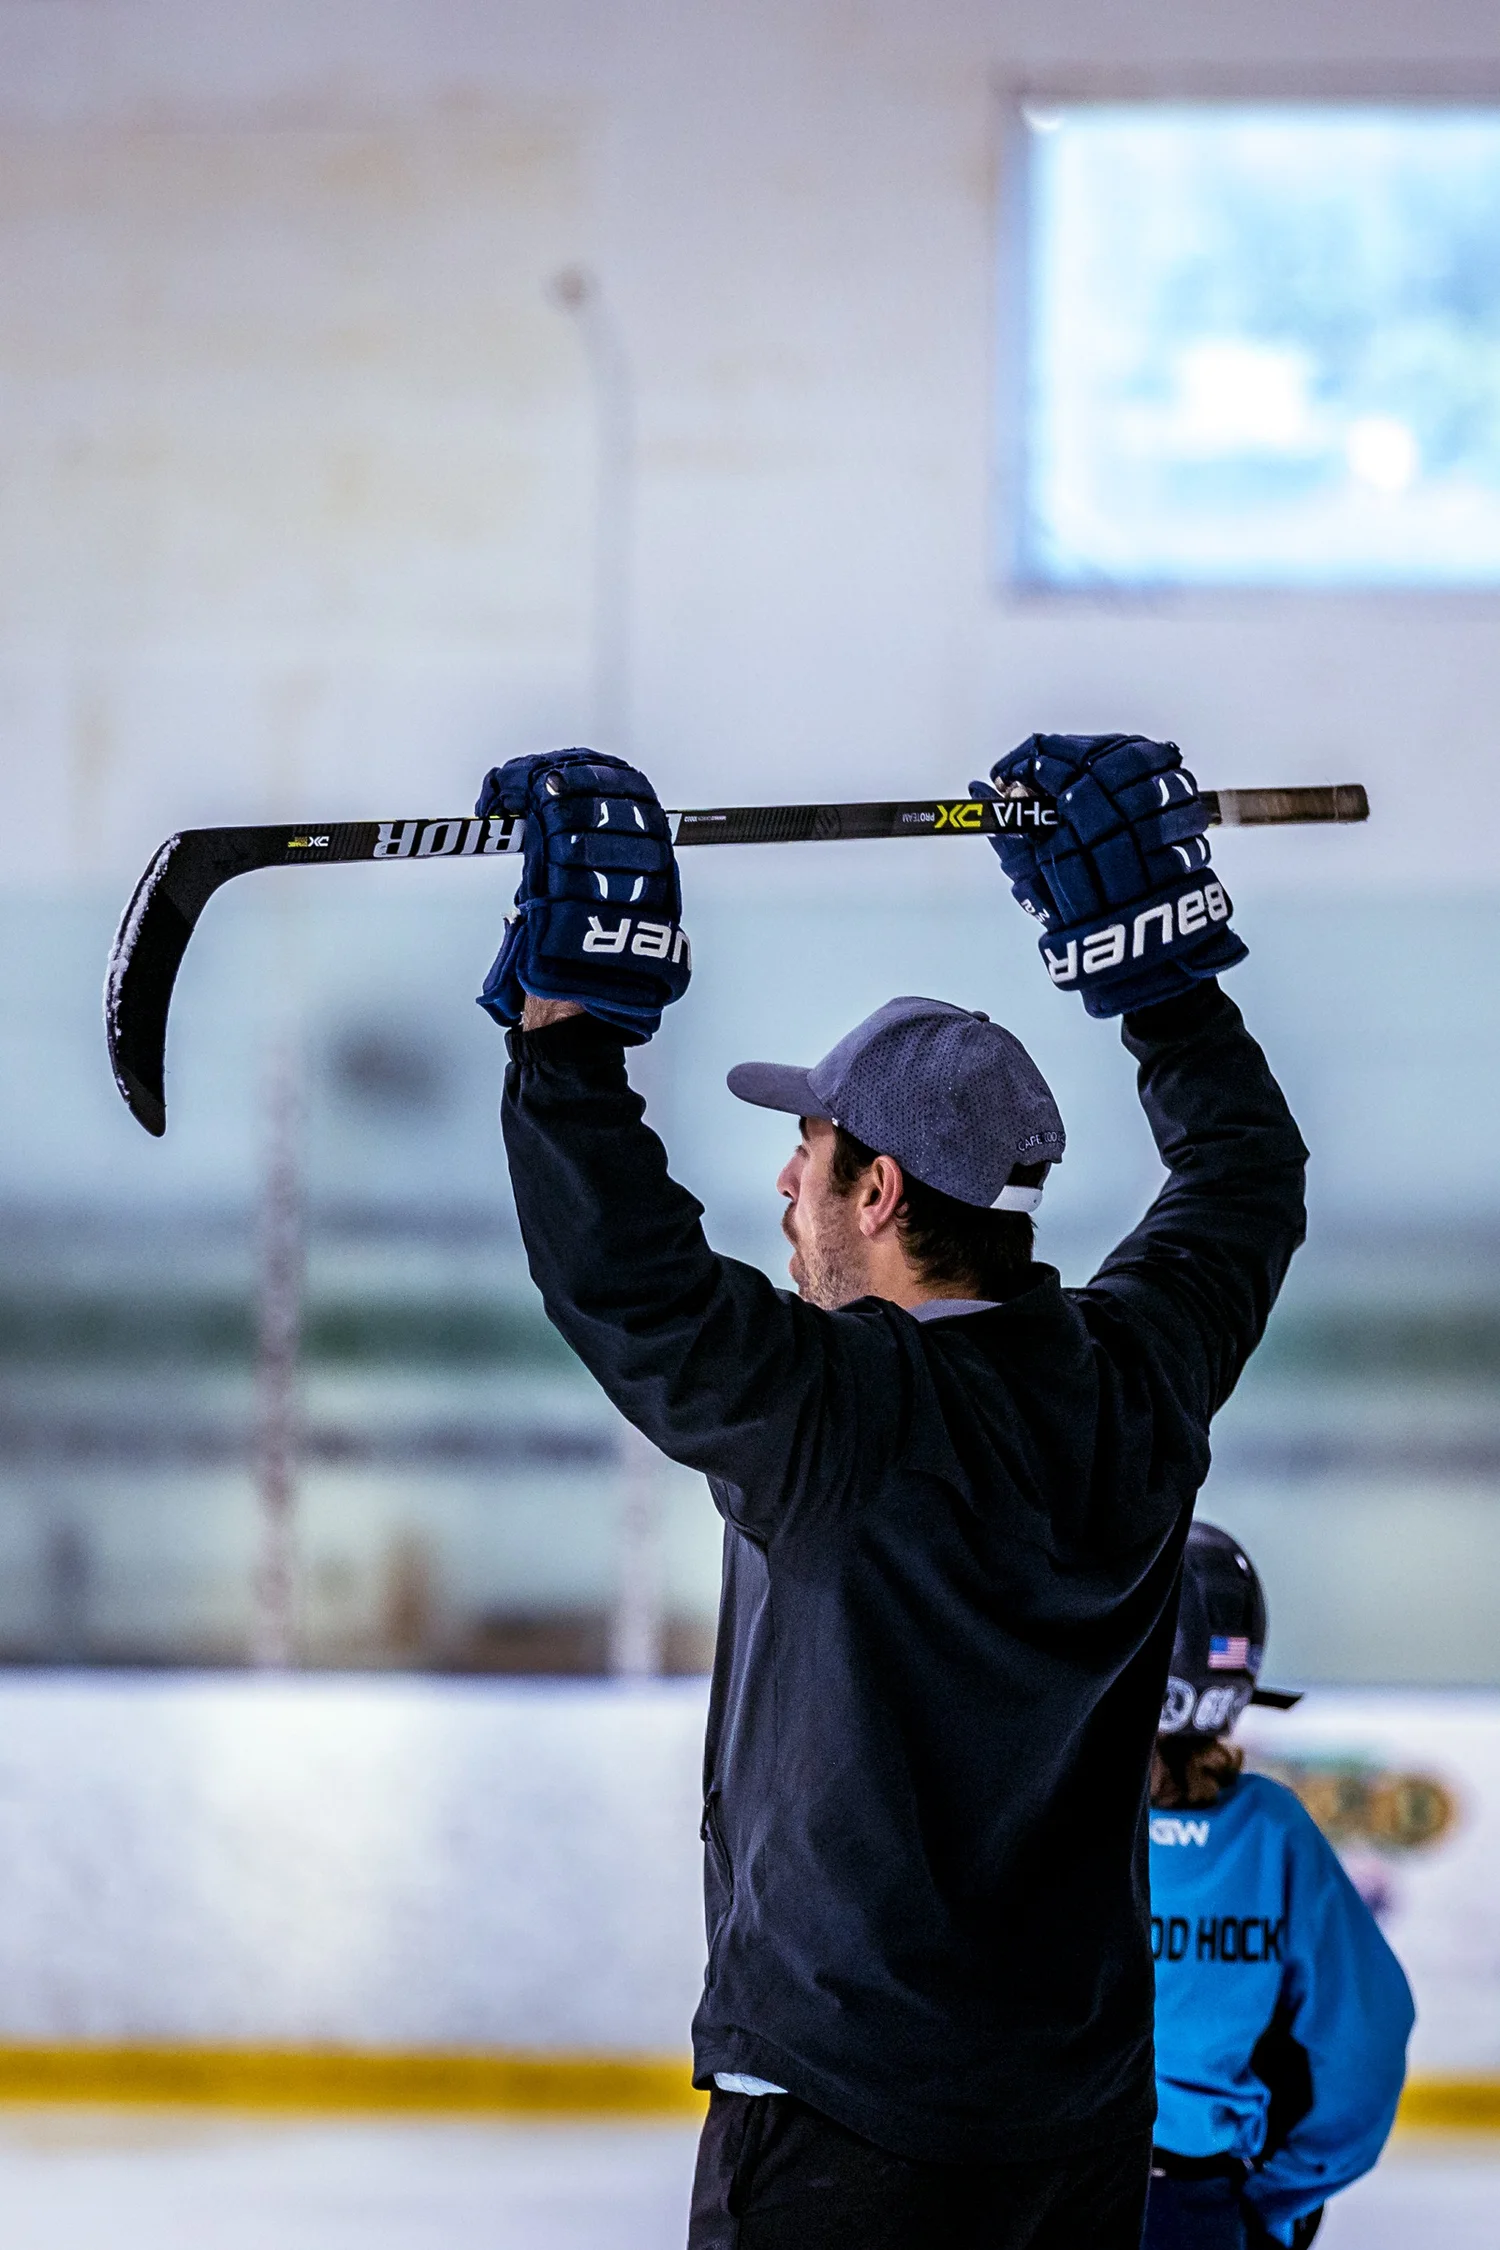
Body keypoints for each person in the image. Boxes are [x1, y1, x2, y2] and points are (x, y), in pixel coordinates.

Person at [477, 733, 1307, 2249]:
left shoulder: (837, 1408)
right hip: (1076, 2118)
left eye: (807, 1147)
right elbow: (1244, 1178)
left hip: (844, 2123)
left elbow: (625, 1279)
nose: (784, 1185)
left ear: (879, 1190)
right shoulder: (1138, 1379)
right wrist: (1163, 982)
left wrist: (569, 1032)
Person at [1145, 1520, 1414, 2250]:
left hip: (1040, 2189)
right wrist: (1274, 2198)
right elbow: (1365, 2045)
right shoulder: (1273, 1830)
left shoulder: (1049, 1823)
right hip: (1198, 2203)